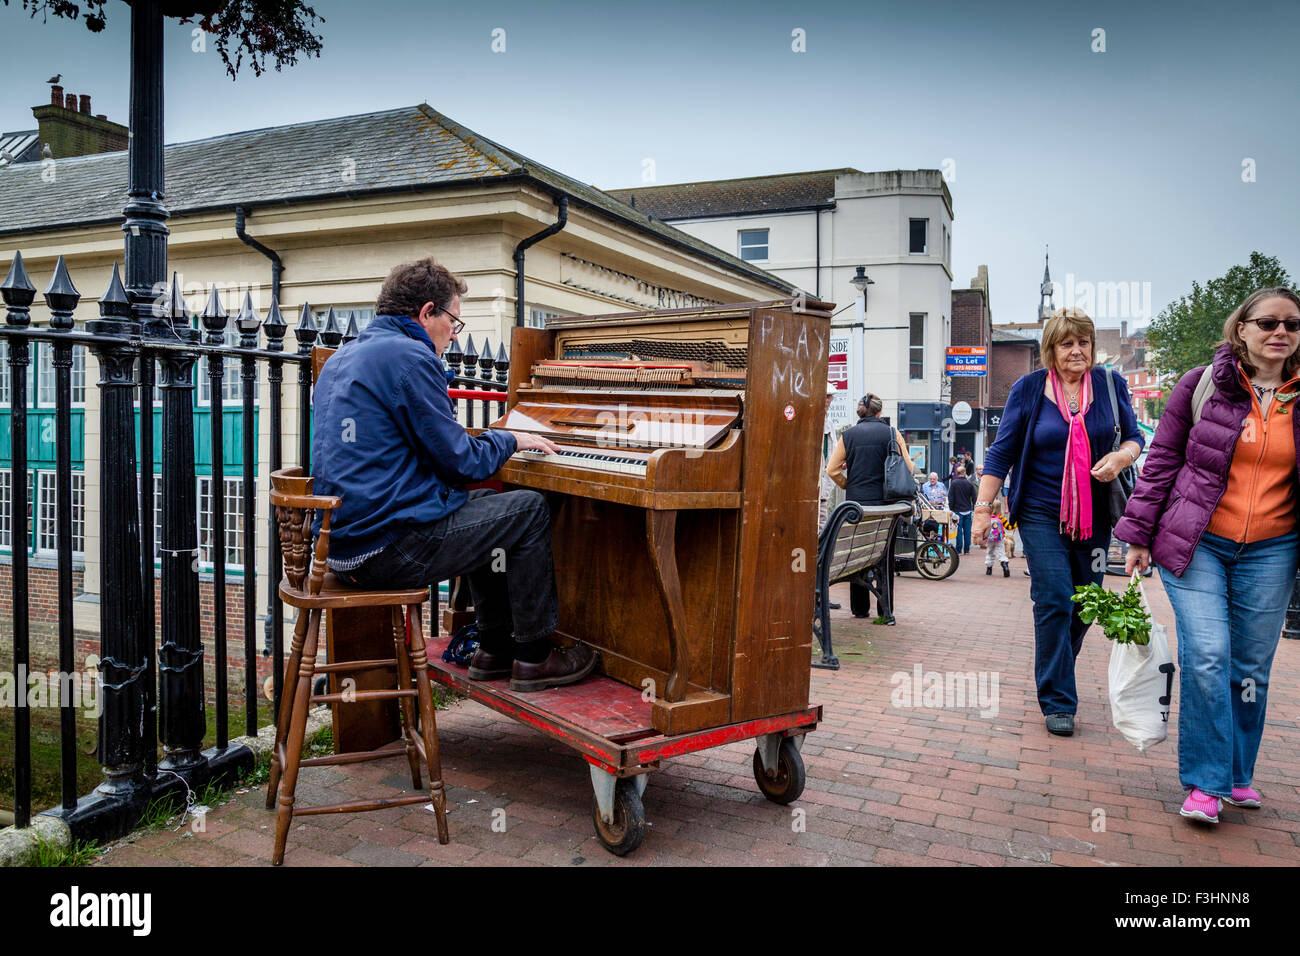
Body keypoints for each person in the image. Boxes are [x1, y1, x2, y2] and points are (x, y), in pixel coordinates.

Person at [312, 257, 597, 692]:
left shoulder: (344, 356)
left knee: (484, 507)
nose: (452, 335)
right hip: (388, 551)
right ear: (427, 313)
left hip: (342, 548)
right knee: (529, 508)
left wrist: (486, 442)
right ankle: (535, 658)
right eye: (453, 321)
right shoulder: (410, 356)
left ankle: (494, 648)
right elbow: (462, 462)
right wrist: (511, 439)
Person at [1115, 287, 1300, 825]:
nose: (1280, 332)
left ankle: (1237, 774)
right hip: (1198, 542)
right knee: (1209, 655)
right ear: (1241, 329)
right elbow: (1164, 459)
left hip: (1273, 547)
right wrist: (1138, 535)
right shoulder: (1201, 385)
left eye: (1292, 324)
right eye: (1267, 322)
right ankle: (1203, 782)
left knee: (1251, 669)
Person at [974, 308, 1143, 736]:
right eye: (1067, 343)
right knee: (1053, 597)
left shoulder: (1109, 384)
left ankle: (1056, 665)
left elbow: (1134, 436)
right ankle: (1058, 700)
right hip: (1039, 511)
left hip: (1095, 515)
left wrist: (1123, 455)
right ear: (1051, 349)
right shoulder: (1029, 389)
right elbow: (1002, 451)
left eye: (1083, 341)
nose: (1076, 350)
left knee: (1086, 605)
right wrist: (982, 508)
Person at [826, 393, 908, 621]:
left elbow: (831, 470)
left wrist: (849, 483)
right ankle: (885, 610)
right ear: (879, 413)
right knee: (885, 557)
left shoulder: (848, 435)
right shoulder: (892, 433)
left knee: (857, 554)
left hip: (857, 507)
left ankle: (860, 609)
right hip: (885, 506)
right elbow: (908, 467)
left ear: (860, 412)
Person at [819, 382, 837, 530]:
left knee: (821, 524)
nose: (830, 401)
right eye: (827, 397)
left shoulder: (829, 424)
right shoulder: (816, 423)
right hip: (816, 487)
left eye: (830, 397)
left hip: (823, 487)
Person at [948, 466, 976, 554]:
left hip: (957, 510)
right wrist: (974, 508)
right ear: (964, 473)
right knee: (967, 531)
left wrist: (951, 508)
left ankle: (959, 550)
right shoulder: (969, 483)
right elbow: (974, 497)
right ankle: (967, 550)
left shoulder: (954, 483)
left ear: (957, 473)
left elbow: (951, 497)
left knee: (959, 531)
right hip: (968, 509)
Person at [984, 500, 1009, 576]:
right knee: (1001, 552)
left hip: (989, 539)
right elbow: (1009, 527)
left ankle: (989, 569)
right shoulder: (1001, 518)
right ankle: (1005, 566)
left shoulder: (987, 517)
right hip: (999, 539)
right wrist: (1015, 525)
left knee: (990, 552)